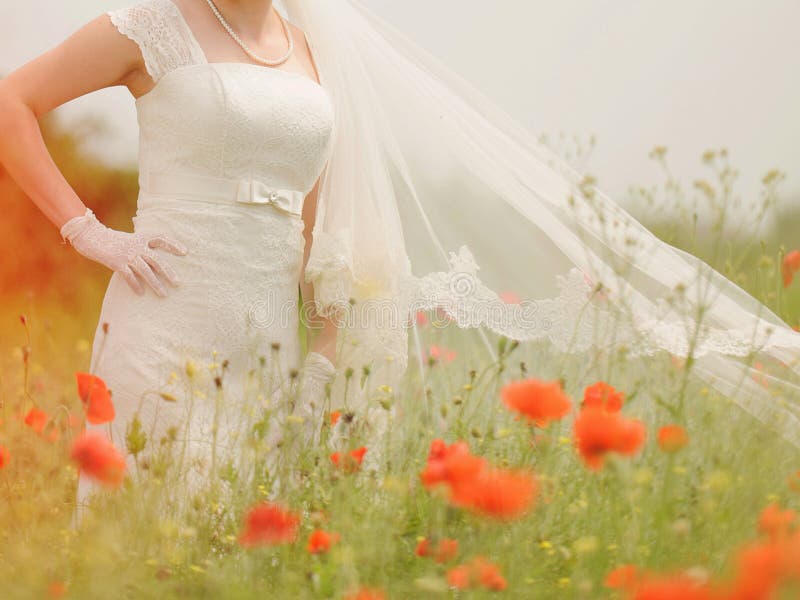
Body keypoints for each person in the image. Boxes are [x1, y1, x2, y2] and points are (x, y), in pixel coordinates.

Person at [1, 0, 800, 511]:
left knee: (248, 540)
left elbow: (323, 220)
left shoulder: (314, 49)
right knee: (149, 525)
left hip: (269, 344)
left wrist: (324, 355)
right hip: (165, 321)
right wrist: (89, 232)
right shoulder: (147, 26)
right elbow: (13, 101)